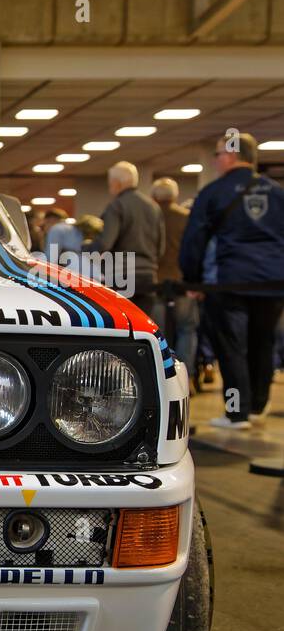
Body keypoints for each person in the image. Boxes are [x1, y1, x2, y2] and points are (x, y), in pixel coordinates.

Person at [179, 132, 284, 429]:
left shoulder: (215, 192)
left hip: (231, 281)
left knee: (231, 346)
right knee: (263, 342)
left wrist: (193, 279)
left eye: (217, 155)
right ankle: (257, 407)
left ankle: (237, 412)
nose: (215, 161)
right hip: (272, 284)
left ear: (231, 155)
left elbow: (194, 239)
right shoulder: (277, 193)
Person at [86, 161, 165, 330]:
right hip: (148, 277)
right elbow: (160, 247)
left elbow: (105, 244)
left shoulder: (117, 205)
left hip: (121, 277)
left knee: (122, 329)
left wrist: (86, 248)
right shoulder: (153, 206)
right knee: (143, 328)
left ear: (116, 183)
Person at [151, 177, 200, 372]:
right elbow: (195, 251)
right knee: (186, 328)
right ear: (175, 195)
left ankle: (164, 373)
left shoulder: (150, 216)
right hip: (182, 281)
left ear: (154, 196)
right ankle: (185, 374)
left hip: (154, 283)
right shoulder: (187, 218)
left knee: (158, 332)